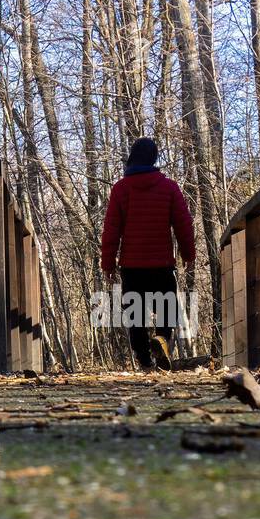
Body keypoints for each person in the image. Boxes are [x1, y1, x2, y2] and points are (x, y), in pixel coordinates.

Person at [99, 138, 196, 370]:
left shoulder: (121, 189)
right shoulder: (169, 187)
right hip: (162, 264)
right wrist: (188, 254)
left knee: (136, 314)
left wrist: (108, 264)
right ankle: (161, 341)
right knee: (167, 308)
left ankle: (144, 361)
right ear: (154, 159)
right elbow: (184, 224)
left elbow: (111, 230)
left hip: (132, 267)